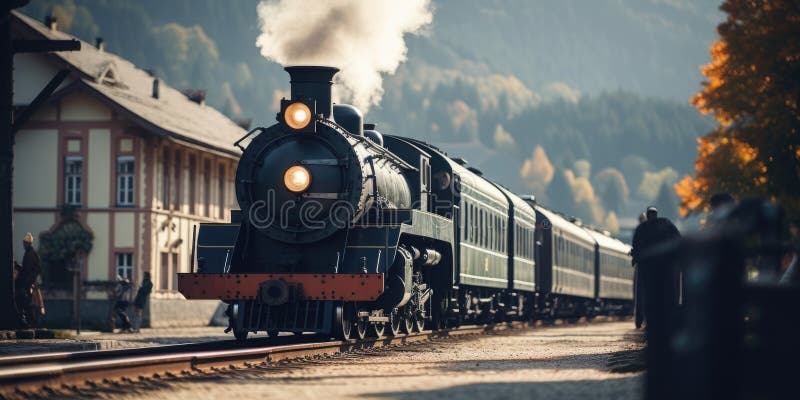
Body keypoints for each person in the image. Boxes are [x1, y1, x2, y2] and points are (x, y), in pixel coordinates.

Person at [631, 206, 682, 328]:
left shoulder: (642, 228)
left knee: (648, 294)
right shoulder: (666, 224)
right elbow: (677, 239)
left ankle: (651, 318)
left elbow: (636, 246)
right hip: (665, 267)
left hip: (650, 268)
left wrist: (636, 256)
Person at [14, 233, 42, 328]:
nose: (23, 245)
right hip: (28, 282)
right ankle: (29, 322)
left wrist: (28, 281)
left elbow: (27, 270)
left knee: (27, 303)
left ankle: (29, 322)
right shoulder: (30, 253)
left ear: (27, 243)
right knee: (27, 303)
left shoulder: (30, 254)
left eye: (24, 243)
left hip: (28, 283)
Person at [632, 213, 647, 329]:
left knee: (639, 293)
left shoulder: (639, 230)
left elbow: (635, 245)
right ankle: (640, 319)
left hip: (643, 264)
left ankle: (639, 319)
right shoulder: (657, 229)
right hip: (646, 264)